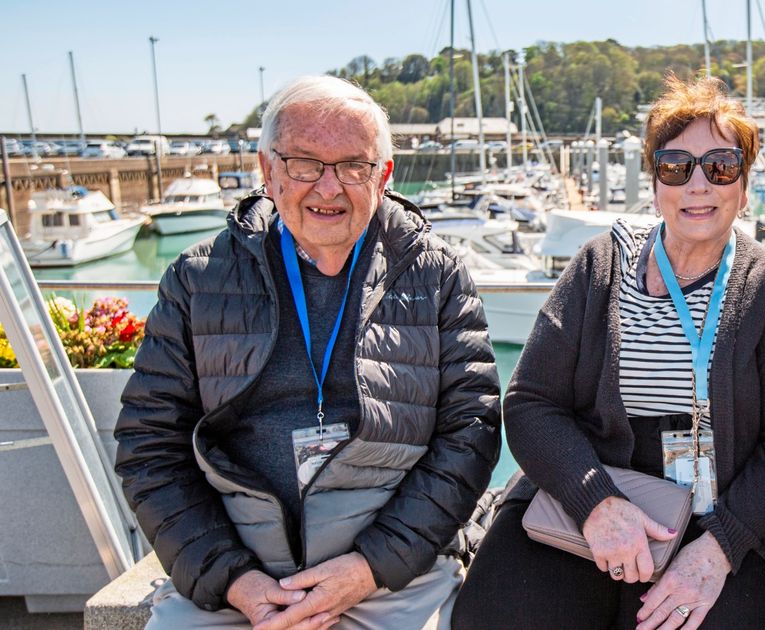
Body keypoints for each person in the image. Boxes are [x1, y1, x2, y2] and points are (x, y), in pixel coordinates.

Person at [113, 75, 501, 630]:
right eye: (304, 164)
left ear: (384, 176)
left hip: (392, 570)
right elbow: (150, 446)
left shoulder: (436, 275)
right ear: (267, 171)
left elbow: (470, 436)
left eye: (354, 166)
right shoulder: (198, 279)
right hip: (237, 572)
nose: (328, 187)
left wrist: (370, 567)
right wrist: (234, 580)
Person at [451, 75, 765, 630]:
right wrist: (598, 503)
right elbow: (533, 402)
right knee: (505, 615)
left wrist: (720, 549)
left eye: (721, 167)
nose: (698, 184)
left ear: (744, 184)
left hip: (726, 515)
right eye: (676, 166)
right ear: (656, 182)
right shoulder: (600, 265)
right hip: (587, 490)